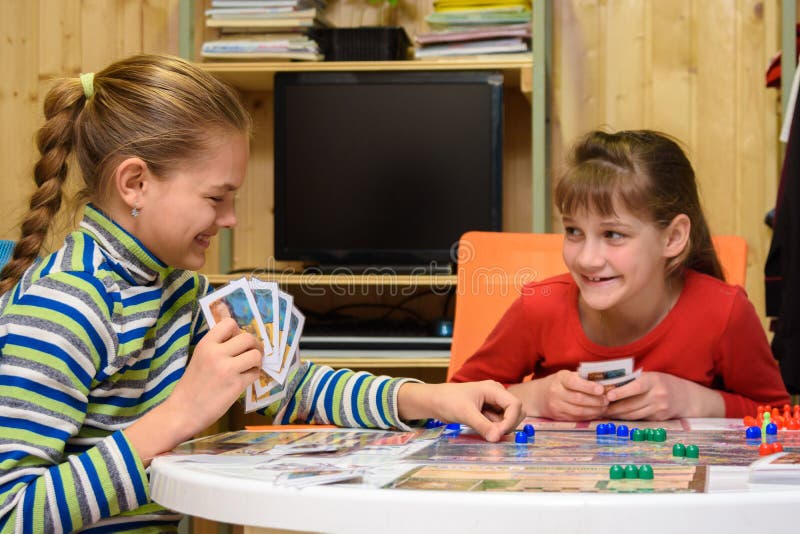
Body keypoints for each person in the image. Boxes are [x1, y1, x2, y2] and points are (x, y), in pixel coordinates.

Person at [0, 54, 523, 532]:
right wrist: (181, 413)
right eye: (216, 197)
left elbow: (286, 385)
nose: (229, 219)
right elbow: (11, 514)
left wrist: (430, 398)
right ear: (134, 183)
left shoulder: (179, 290)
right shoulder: (64, 305)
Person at [451, 129, 791, 421]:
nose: (586, 258)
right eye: (573, 231)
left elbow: (777, 412)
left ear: (672, 238)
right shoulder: (539, 305)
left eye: (613, 235)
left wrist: (692, 399)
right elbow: (456, 399)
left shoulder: (724, 312)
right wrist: (535, 397)